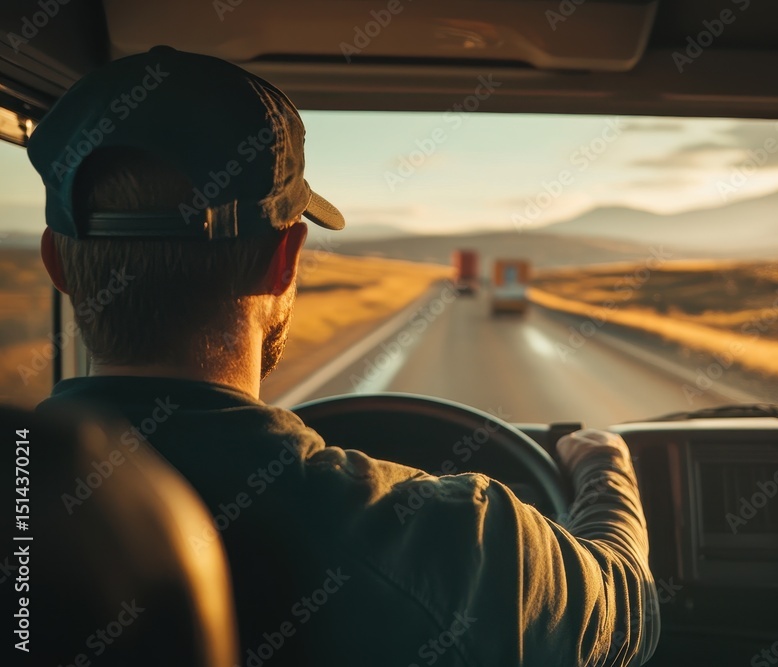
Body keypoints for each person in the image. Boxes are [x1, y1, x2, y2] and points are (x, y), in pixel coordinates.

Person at [32, 45, 660, 666]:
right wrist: (603, 463)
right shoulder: (452, 543)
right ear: (287, 259)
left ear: (57, 263)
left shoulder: (22, 507)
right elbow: (624, 606)